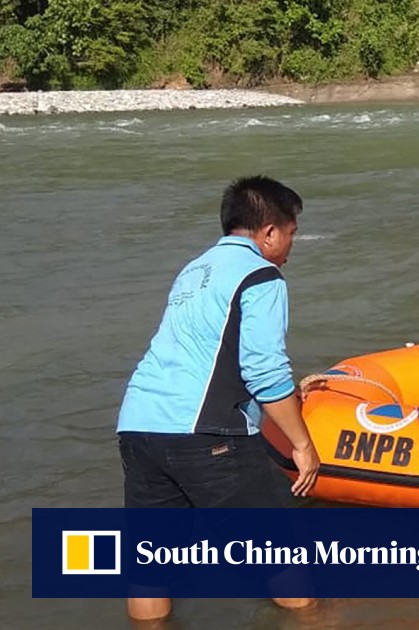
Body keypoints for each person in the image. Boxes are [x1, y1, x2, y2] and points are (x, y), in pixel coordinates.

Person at [115, 176, 321, 621]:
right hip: (206, 434)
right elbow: (264, 369)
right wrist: (303, 445)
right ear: (269, 232)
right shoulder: (263, 275)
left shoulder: (194, 270)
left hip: (138, 426)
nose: (291, 244)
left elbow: (201, 353)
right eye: (292, 233)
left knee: (150, 568)